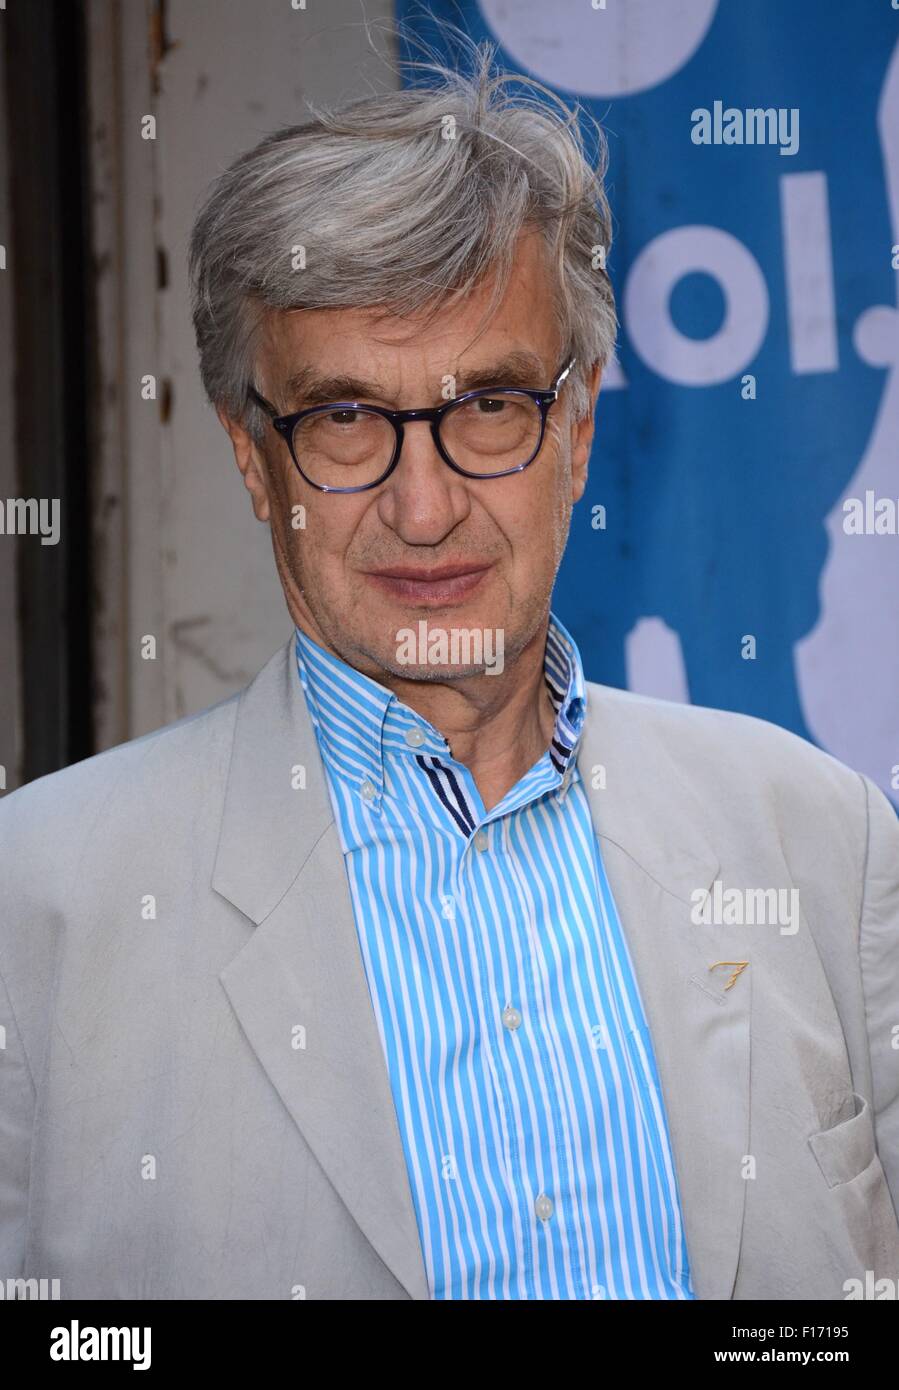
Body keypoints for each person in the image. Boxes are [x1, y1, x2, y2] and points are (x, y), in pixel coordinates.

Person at [1, 49, 897, 1302]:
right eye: (345, 420)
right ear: (254, 462)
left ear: (577, 432)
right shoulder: (35, 904)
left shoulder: (818, 837)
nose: (423, 510)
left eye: (486, 407)